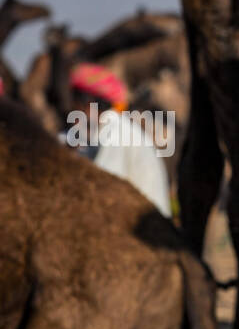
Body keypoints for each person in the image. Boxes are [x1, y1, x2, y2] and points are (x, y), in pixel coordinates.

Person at [64, 62, 172, 217]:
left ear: (86, 104)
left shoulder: (117, 131)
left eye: (74, 105)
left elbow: (105, 191)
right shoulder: (107, 132)